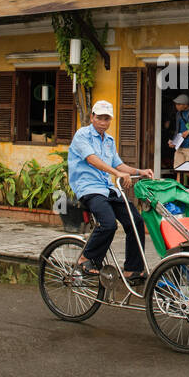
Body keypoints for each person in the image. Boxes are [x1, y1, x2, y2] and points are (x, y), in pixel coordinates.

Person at [67, 100, 154, 284]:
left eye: (107, 119)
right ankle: (86, 259)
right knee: (108, 224)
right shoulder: (82, 135)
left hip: (107, 189)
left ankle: (132, 270)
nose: (103, 122)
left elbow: (118, 164)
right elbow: (92, 160)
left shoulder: (109, 140)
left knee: (136, 221)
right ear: (92, 117)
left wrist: (140, 172)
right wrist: (117, 174)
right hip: (88, 188)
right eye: (99, 118)